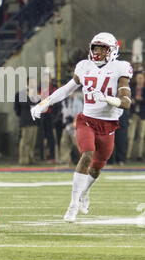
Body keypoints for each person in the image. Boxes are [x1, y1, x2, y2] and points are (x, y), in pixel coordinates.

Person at [31, 32, 133, 222]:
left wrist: (109, 99)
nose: (98, 52)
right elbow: (66, 89)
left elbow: (126, 102)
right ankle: (72, 205)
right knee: (86, 153)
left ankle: (84, 193)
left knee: (96, 168)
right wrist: (43, 104)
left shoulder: (121, 67)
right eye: (95, 48)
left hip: (109, 123)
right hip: (87, 119)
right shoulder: (84, 66)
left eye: (102, 48)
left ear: (112, 50)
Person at [14, 78, 39, 165]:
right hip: (25, 120)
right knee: (25, 141)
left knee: (32, 141)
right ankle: (23, 159)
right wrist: (22, 116)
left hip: (34, 120)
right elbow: (17, 108)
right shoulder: (21, 94)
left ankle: (30, 158)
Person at [126, 71, 145, 161]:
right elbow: (127, 99)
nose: (139, 80)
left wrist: (141, 99)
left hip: (142, 115)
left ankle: (139, 156)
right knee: (131, 136)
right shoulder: (132, 89)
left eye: (141, 78)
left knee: (141, 137)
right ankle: (128, 156)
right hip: (133, 114)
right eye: (138, 78)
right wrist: (132, 101)